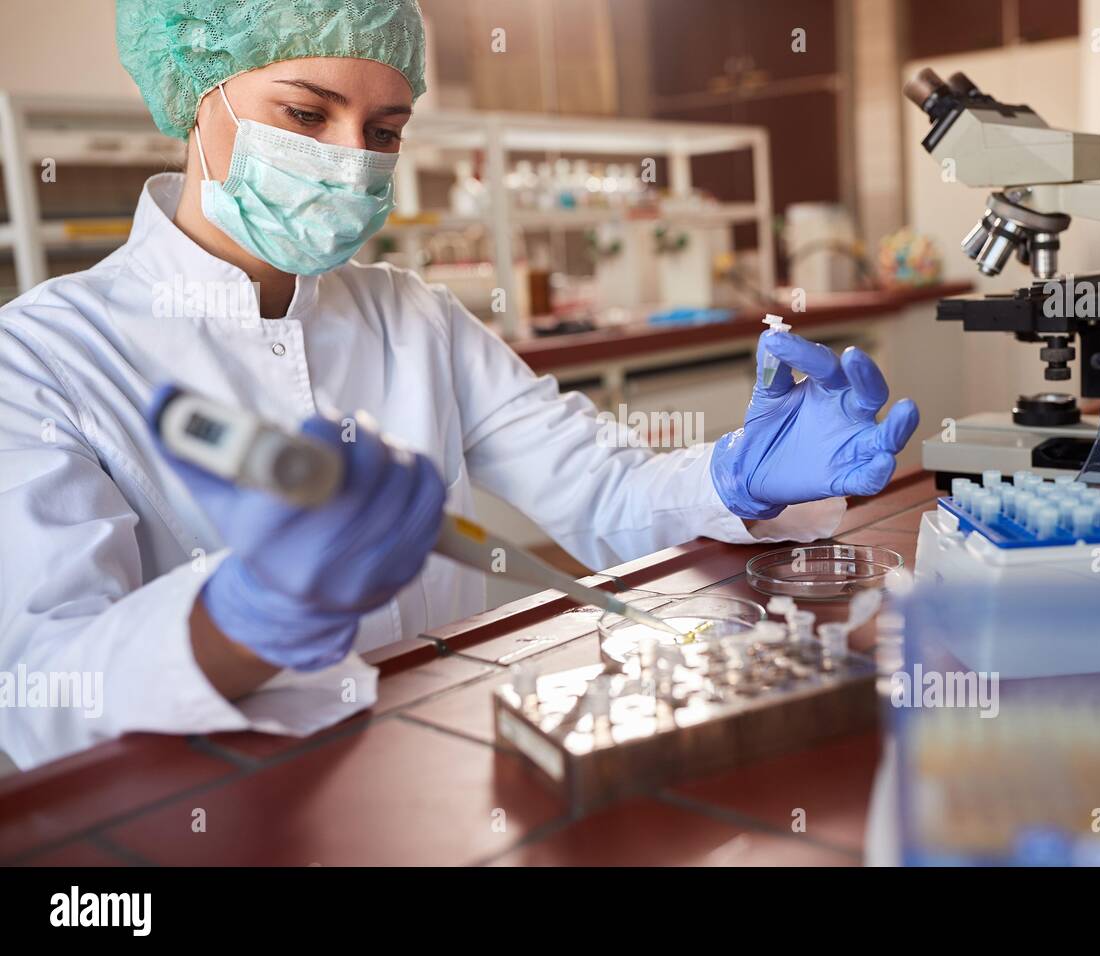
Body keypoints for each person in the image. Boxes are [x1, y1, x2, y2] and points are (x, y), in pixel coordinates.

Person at [0, 0, 918, 769]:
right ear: (196, 97)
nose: (353, 158)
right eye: (307, 116)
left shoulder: (413, 317)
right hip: (207, 808)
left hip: (439, 762)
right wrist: (243, 617)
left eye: (385, 131)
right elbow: (40, 688)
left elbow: (599, 488)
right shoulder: (42, 355)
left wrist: (734, 478)